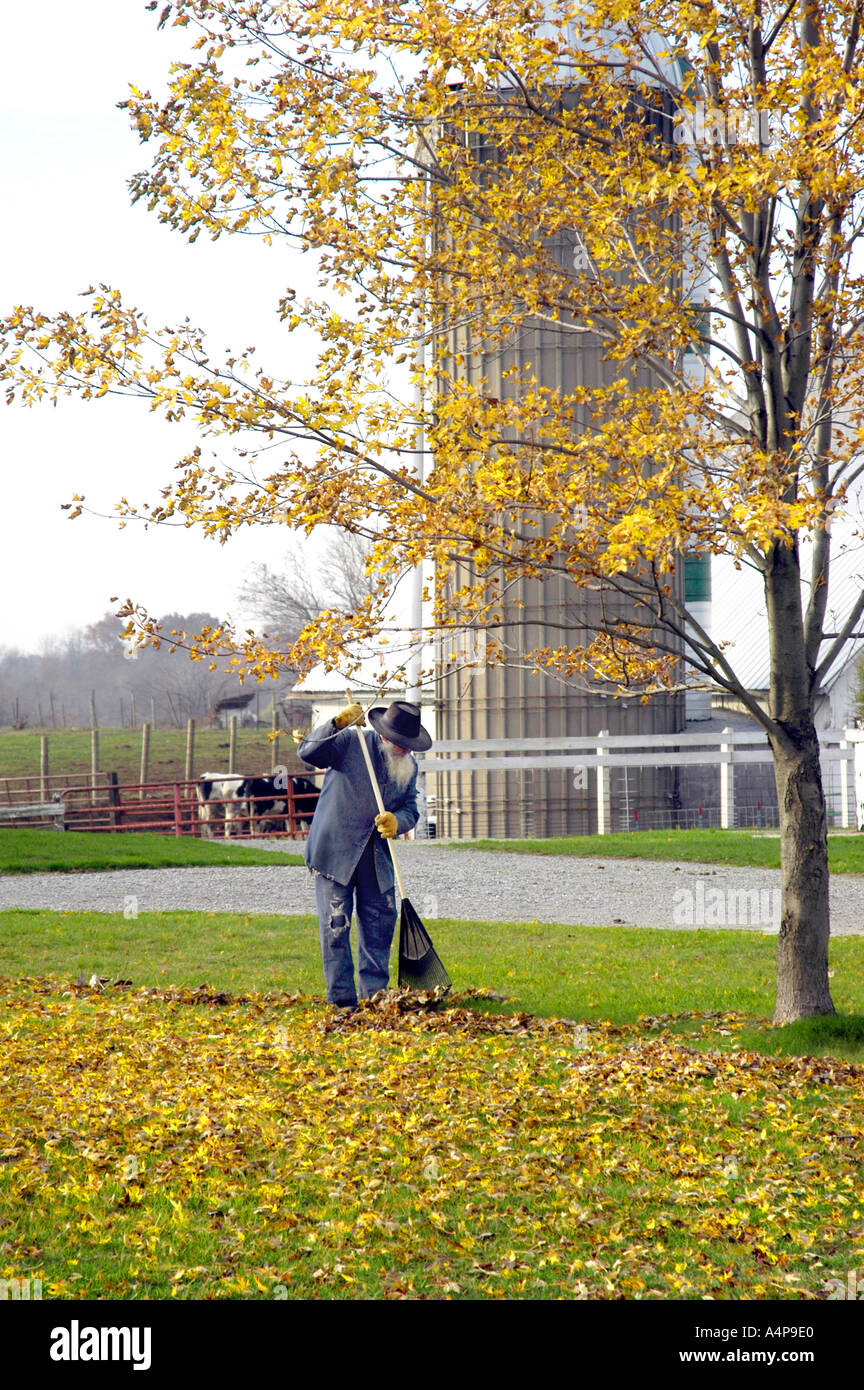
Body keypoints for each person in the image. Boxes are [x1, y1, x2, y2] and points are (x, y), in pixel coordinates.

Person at [297, 699, 433, 1010]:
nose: (405, 750)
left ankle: (374, 999)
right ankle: (342, 1002)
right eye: (400, 743)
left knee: (380, 923)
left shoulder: (409, 766)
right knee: (336, 926)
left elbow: (411, 809)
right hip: (334, 852)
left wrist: (398, 821)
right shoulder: (349, 742)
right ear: (384, 734)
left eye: (409, 745)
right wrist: (336, 723)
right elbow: (307, 752)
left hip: (376, 857)